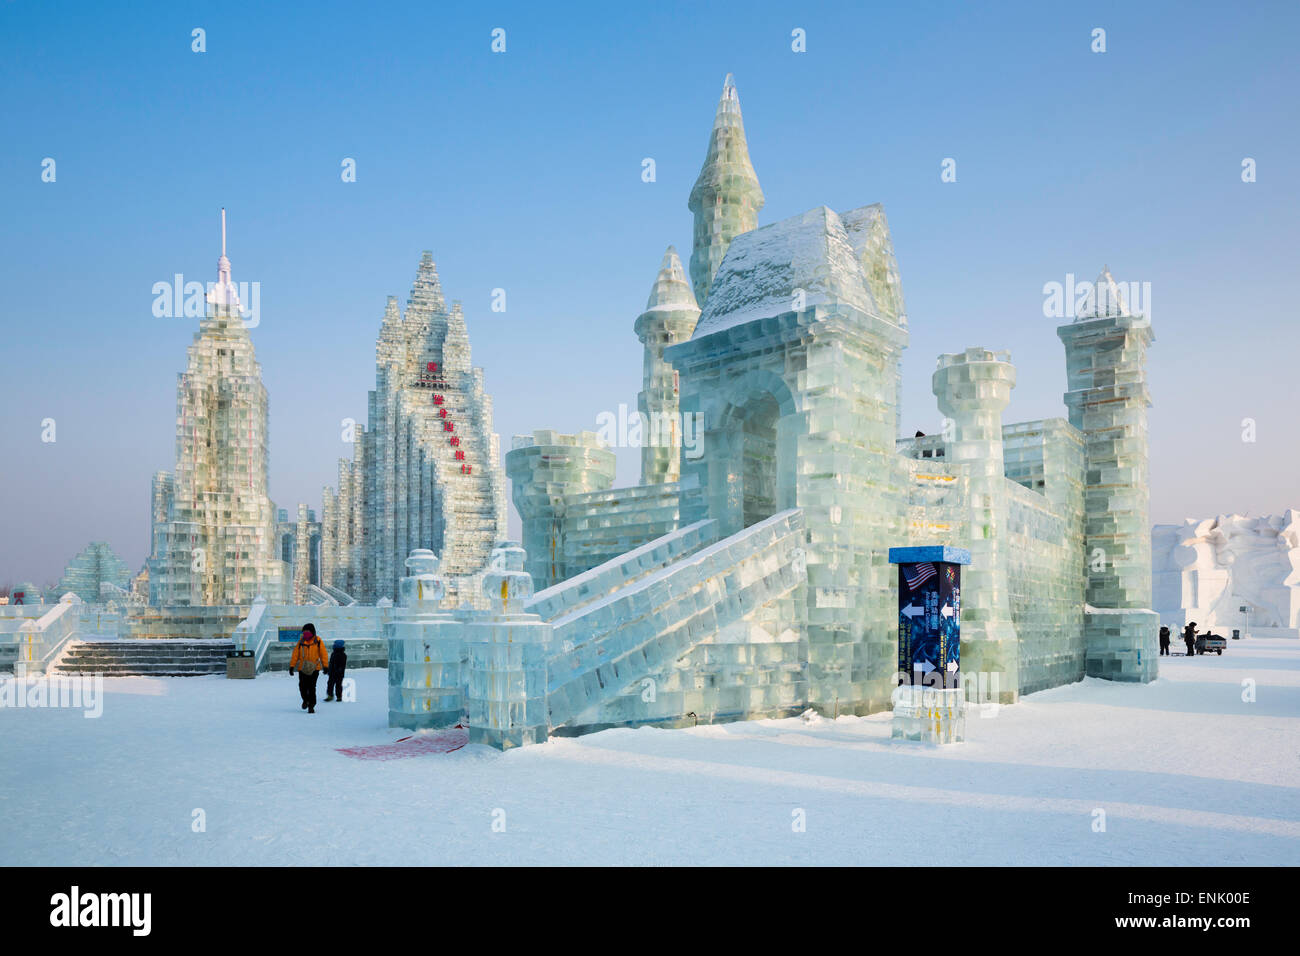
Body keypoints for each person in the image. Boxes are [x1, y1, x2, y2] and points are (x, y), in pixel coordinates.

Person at [288, 623, 329, 713]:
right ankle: (305, 700)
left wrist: (325, 666)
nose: (306, 633)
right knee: (302, 686)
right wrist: (292, 666)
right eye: (304, 631)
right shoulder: (301, 642)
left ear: (312, 631)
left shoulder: (318, 641)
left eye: (308, 631)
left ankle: (311, 705)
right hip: (302, 668)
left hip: (315, 668)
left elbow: (323, 654)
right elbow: (295, 655)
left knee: (311, 687)